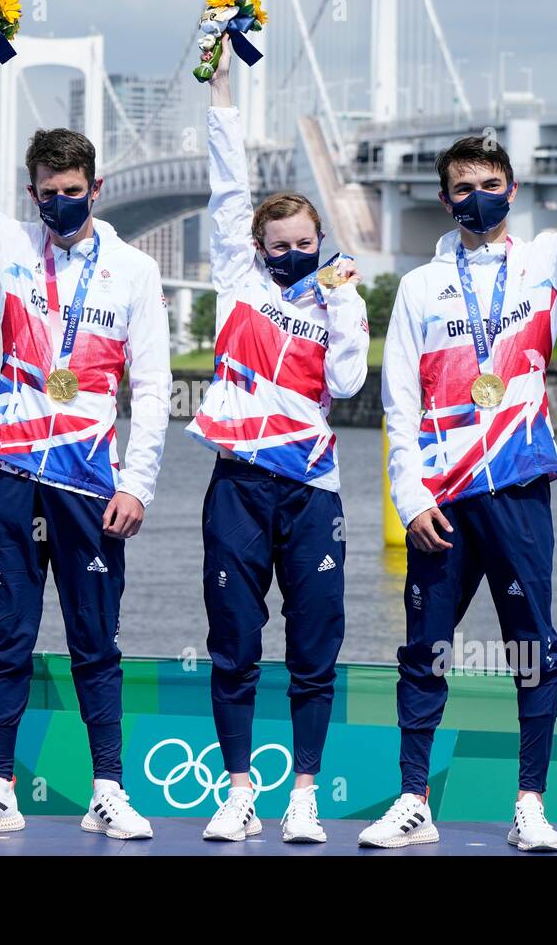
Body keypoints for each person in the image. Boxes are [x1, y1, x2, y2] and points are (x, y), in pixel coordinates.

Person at [361, 86, 557, 851]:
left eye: (491, 185)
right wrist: (409, 499)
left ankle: (530, 805)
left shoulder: (548, 263)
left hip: (516, 488)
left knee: (532, 646)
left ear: (512, 190)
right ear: (445, 200)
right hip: (441, 501)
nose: (479, 197)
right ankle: (413, 802)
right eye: (464, 188)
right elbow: (397, 403)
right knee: (424, 652)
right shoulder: (416, 289)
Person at [0, 36, 171, 840]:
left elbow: (154, 387)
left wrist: (138, 483)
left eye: (73, 190)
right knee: (6, 638)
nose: (60, 203)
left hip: (92, 482)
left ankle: (109, 791)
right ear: (32, 194)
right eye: (47, 192)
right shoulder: (10, 247)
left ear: (98, 188)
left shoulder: (134, 272)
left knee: (97, 642)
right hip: (11, 474)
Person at [186, 41, 370, 843]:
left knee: (313, 643)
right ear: (258, 245)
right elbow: (229, 180)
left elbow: (354, 383)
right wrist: (223, 81)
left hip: (311, 489)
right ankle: (237, 793)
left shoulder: (333, 295)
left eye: (306, 241)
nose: (293, 253)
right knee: (233, 642)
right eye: (280, 242)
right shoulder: (237, 281)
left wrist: (345, 306)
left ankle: (302, 794)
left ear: (319, 238)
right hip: (237, 481)